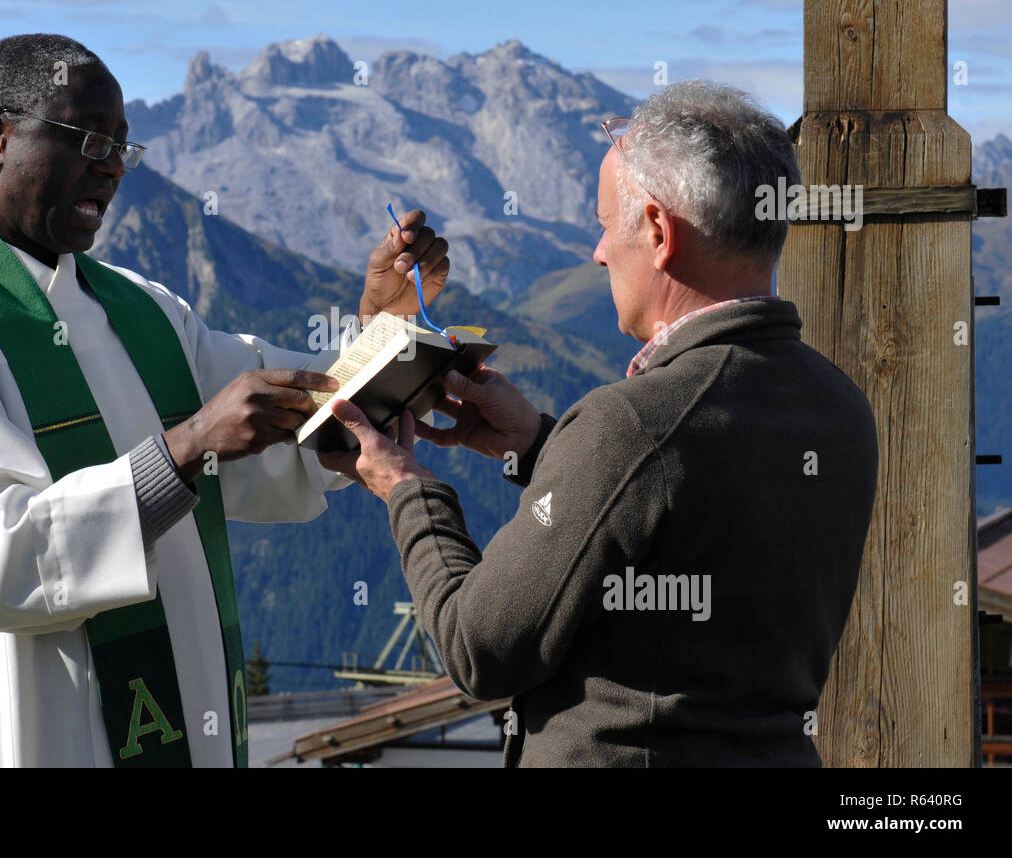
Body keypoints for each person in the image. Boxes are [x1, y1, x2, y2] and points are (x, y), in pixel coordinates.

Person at [0, 33, 450, 767]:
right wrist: (185, 450)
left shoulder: (144, 313)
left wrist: (383, 330)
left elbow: (295, 412)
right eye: (90, 138)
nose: (114, 167)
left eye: (125, 146)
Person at [322, 80, 879, 767]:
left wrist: (406, 486)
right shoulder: (841, 405)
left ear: (656, 231)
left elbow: (479, 648)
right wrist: (544, 446)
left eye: (604, 223)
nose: (597, 251)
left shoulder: (633, 425)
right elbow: (688, 508)